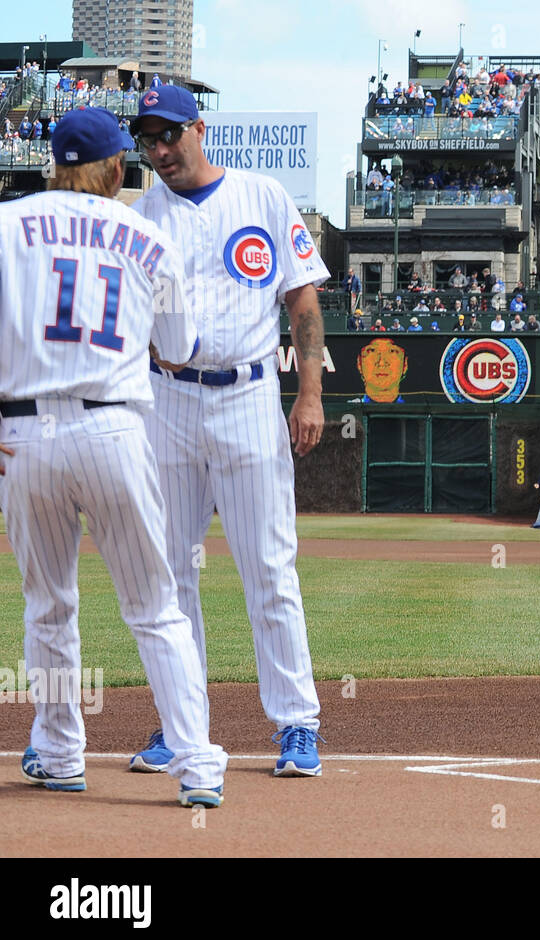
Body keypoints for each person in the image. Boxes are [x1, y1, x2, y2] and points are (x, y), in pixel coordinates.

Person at [1, 108, 227, 807]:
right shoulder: (148, 238)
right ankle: (198, 767)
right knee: (156, 608)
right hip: (114, 430)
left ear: (54, 164)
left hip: (25, 436)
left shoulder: (8, 226)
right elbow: (181, 346)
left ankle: (62, 751)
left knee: (48, 608)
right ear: (114, 168)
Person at [126, 86, 328, 778]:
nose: (159, 151)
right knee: (169, 573)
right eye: (147, 141)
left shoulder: (263, 195)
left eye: (169, 136)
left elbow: (302, 297)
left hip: (247, 394)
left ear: (198, 129)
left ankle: (297, 723)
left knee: (268, 568)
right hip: (167, 401)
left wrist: (309, 395)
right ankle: (182, 729)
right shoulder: (141, 216)